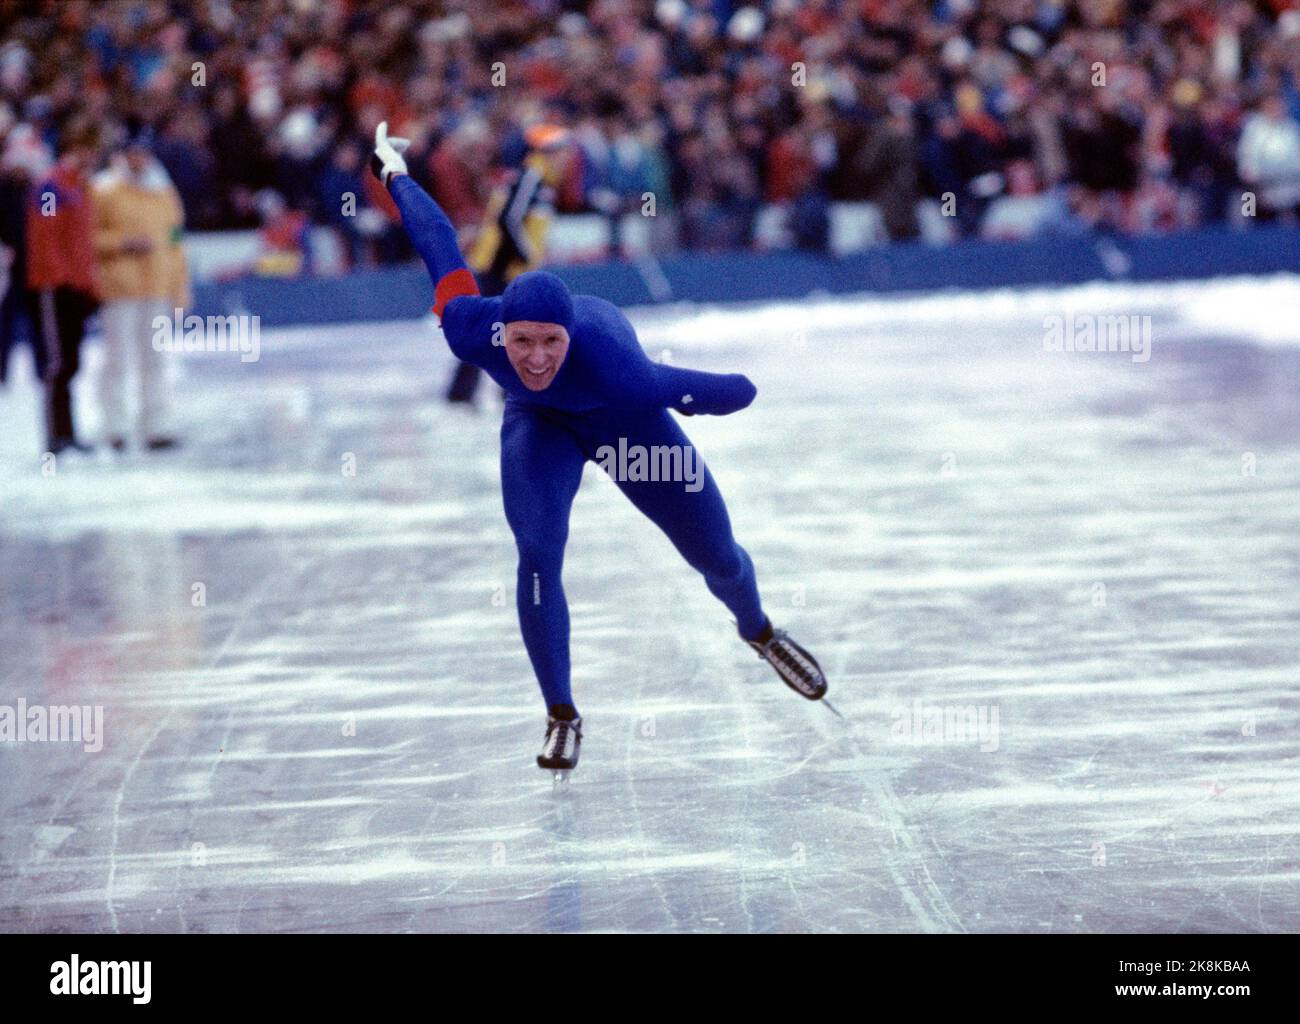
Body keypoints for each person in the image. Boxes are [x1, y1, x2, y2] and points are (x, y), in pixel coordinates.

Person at [371, 123, 828, 773]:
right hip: (542, 426)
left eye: (549, 345)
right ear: (500, 331)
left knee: (718, 558)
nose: (533, 357)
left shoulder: (622, 371)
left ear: (569, 338)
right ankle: (561, 713)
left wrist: (729, 392)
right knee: (537, 552)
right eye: (521, 343)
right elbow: (438, 243)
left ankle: (758, 629)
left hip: (627, 429)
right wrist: (393, 173)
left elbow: (733, 391)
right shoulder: (470, 328)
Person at [443, 122, 571, 406]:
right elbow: (509, 219)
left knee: (501, 330)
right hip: (499, 267)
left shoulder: (539, 179)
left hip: (507, 267)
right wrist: (526, 256)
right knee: (492, 330)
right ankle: (469, 392)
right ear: (547, 152)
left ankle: (496, 390)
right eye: (561, 151)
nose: (566, 157)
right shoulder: (531, 177)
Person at [91, 125, 189, 451]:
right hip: (120, 288)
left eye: (143, 152)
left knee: (156, 358)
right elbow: (88, 239)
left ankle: (157, 423)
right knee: (117, 359)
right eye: (133, 152)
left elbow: (175, 241)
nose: (139, 159)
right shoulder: (104, 190)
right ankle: (114, 425)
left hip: (157, 287)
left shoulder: (163, 191)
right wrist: (123, 243)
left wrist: (180, 286)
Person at [25, 116, 102, 455]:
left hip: (75, 286)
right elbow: (45, 238)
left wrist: (88, 285)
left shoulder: (78, 187)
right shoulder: (51, 187)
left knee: (71, 362)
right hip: (55, 288)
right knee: (57, 363)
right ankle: (55, 436)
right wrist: (60, 281)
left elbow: (82, 243)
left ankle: (67, 432)